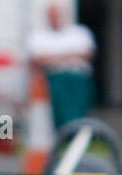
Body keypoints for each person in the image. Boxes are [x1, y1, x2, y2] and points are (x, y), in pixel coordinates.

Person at [28, 3, 97, 131]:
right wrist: (69, 55)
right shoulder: (40, 36)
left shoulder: (79, 33)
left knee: (78, 110)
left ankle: (77, 138)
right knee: (59, 112)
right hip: (55, 79)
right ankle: (63, 138)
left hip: (77, 79)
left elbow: (87, 54)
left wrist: (54, 57)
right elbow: (37, 59)